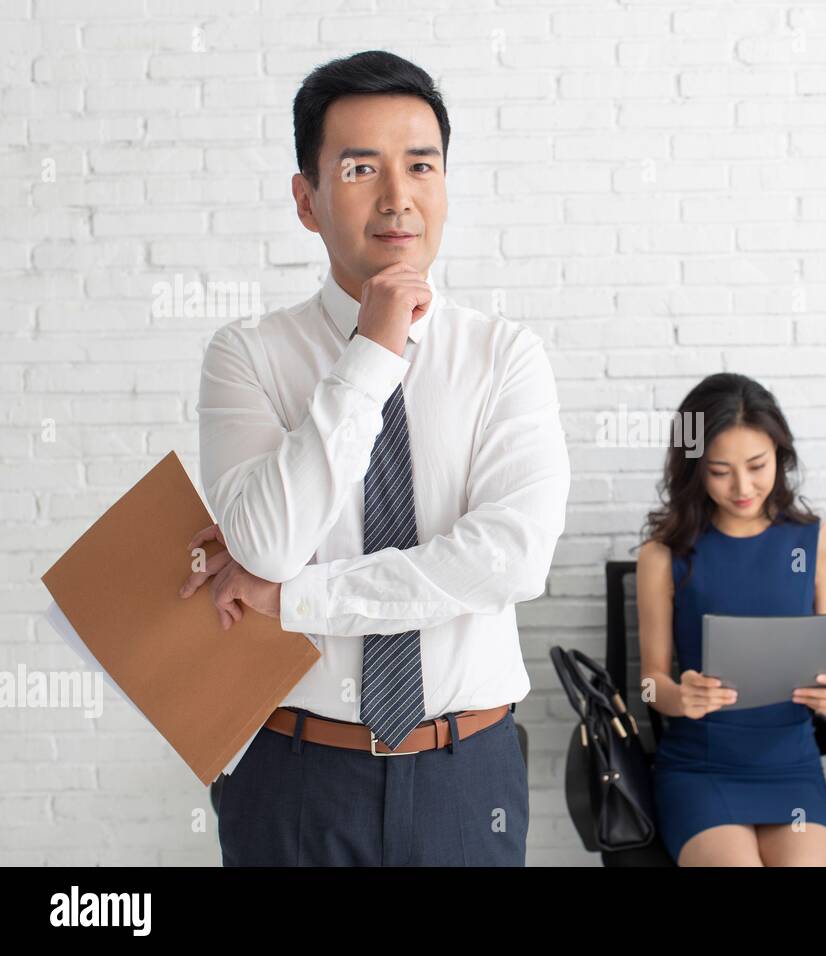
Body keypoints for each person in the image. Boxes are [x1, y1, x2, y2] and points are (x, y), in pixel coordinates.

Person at [177, 50, 570, 866]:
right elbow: (264, 545)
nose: (398, 197)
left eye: (420, 165)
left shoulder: (506, 357)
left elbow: (508, 561)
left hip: (468, 776)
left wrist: (297, 600)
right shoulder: (246, 356)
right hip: (293, 777)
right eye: (361, 168)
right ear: (306, 200)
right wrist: (375, 352)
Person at [636, 373, 826, 866]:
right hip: (701, 767)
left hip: (791, 765)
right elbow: (649, 684)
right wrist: (679, 696)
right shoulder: (663, 555)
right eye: (719, 471)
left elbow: (822, 667)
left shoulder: (820, 544)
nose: (742, 487)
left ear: (781, 456)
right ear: (693, 469)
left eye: (758, 466)